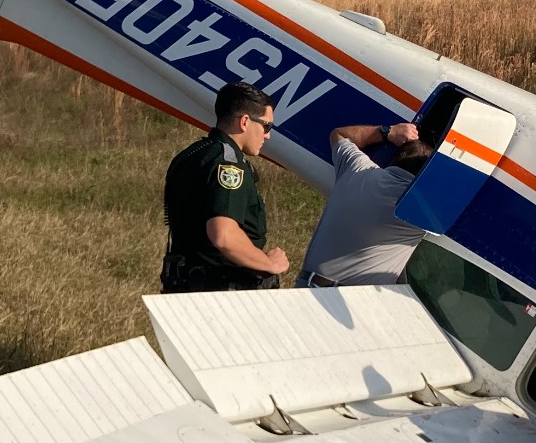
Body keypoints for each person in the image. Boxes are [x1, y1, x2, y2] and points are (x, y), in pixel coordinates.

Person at [159, 82, 289, 293]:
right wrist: (268, 264)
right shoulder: (229, 165)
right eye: (266, 126)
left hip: (183, 288)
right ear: (245, 121)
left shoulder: (192, 154)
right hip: (220, 293)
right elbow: (223, 235)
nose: (267, 135)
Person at [297, 122, 434, 287]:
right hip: (352, 300)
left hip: (306, 286)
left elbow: (338, 135)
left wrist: (388, 132)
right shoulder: (421, 211)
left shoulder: (358, 168)